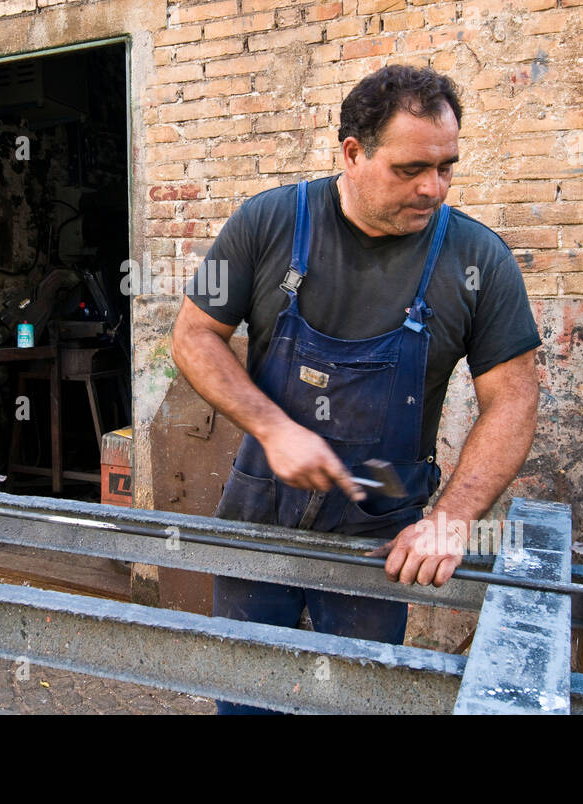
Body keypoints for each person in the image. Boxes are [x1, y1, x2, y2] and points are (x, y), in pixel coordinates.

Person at [171, 64, 541, 713]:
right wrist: (273, 428)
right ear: (352, 152)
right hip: (261, 516)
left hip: (378, 533)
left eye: (447, 167)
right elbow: (194, 336)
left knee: (359, 701)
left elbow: (512, 398)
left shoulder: (479, 261)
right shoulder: (268, 224)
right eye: (409, 170)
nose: (433, 189)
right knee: (246, 696)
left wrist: (451, 523)